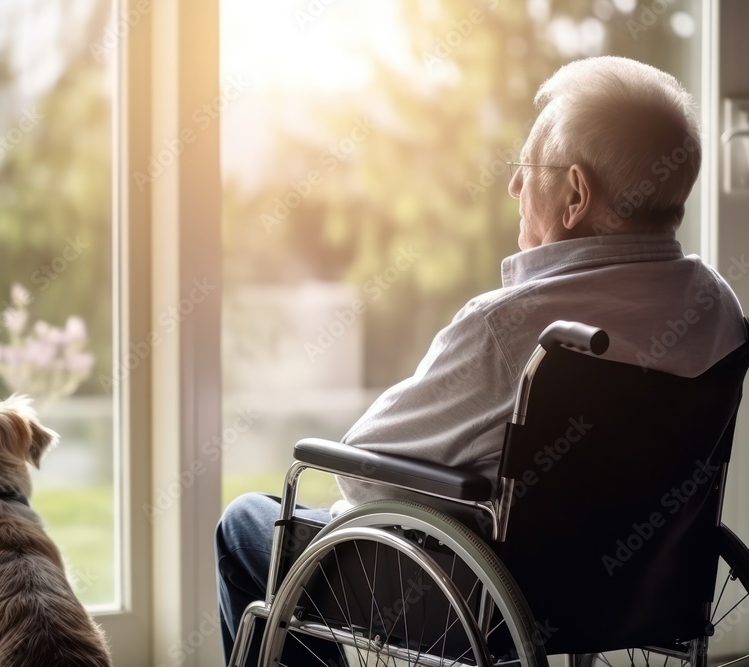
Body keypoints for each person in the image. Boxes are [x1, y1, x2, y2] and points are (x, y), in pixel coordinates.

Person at [215, 55, 746, 664]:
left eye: (527, 168)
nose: (516, 186)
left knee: (247, 523)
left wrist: (467, 503)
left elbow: (363, 474)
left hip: (488, 604)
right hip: (643, 591)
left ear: (575, 193)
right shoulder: (716, 308)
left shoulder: (516, 326)